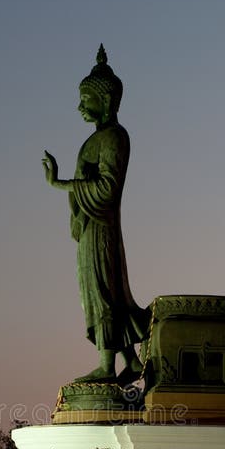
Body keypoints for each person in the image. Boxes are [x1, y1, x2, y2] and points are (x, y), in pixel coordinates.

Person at [42, 45, 149, 384]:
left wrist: (60, 183)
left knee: (105, 291)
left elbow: (107, 189)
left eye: (85, 98)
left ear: (104, 101)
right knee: (97, 292)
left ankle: (107, 366)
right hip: (89, 227)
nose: (79, 106)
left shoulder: (116, 137)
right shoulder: (94, 140)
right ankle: (130, 360)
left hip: (102, 225)